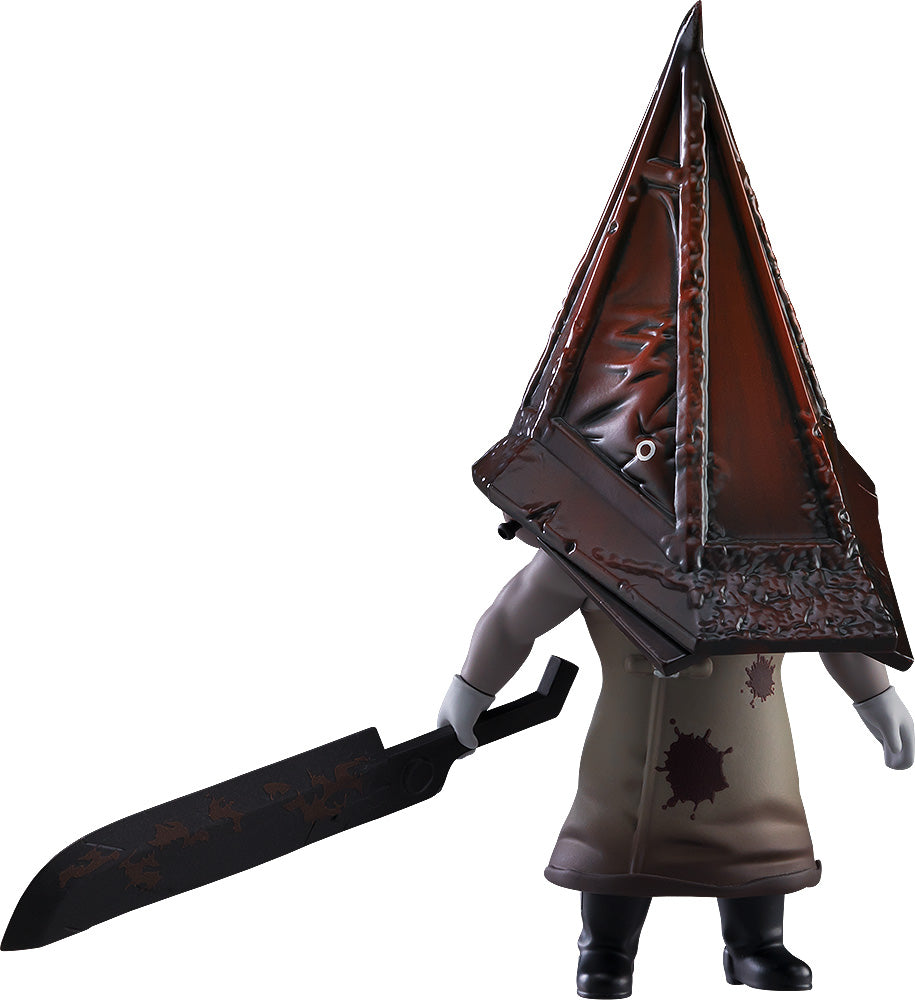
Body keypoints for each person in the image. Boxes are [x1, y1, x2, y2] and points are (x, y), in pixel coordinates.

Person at [437, 542, 914, 998]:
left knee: (758, 823)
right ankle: (605, 946)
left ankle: (756, 943)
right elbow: (514, 615)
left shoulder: (784, 534)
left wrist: (877, 697)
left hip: (747, 720)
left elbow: (833, 617)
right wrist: (472, 689)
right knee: (616, 832)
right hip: (634, 727)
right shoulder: (595, 528)